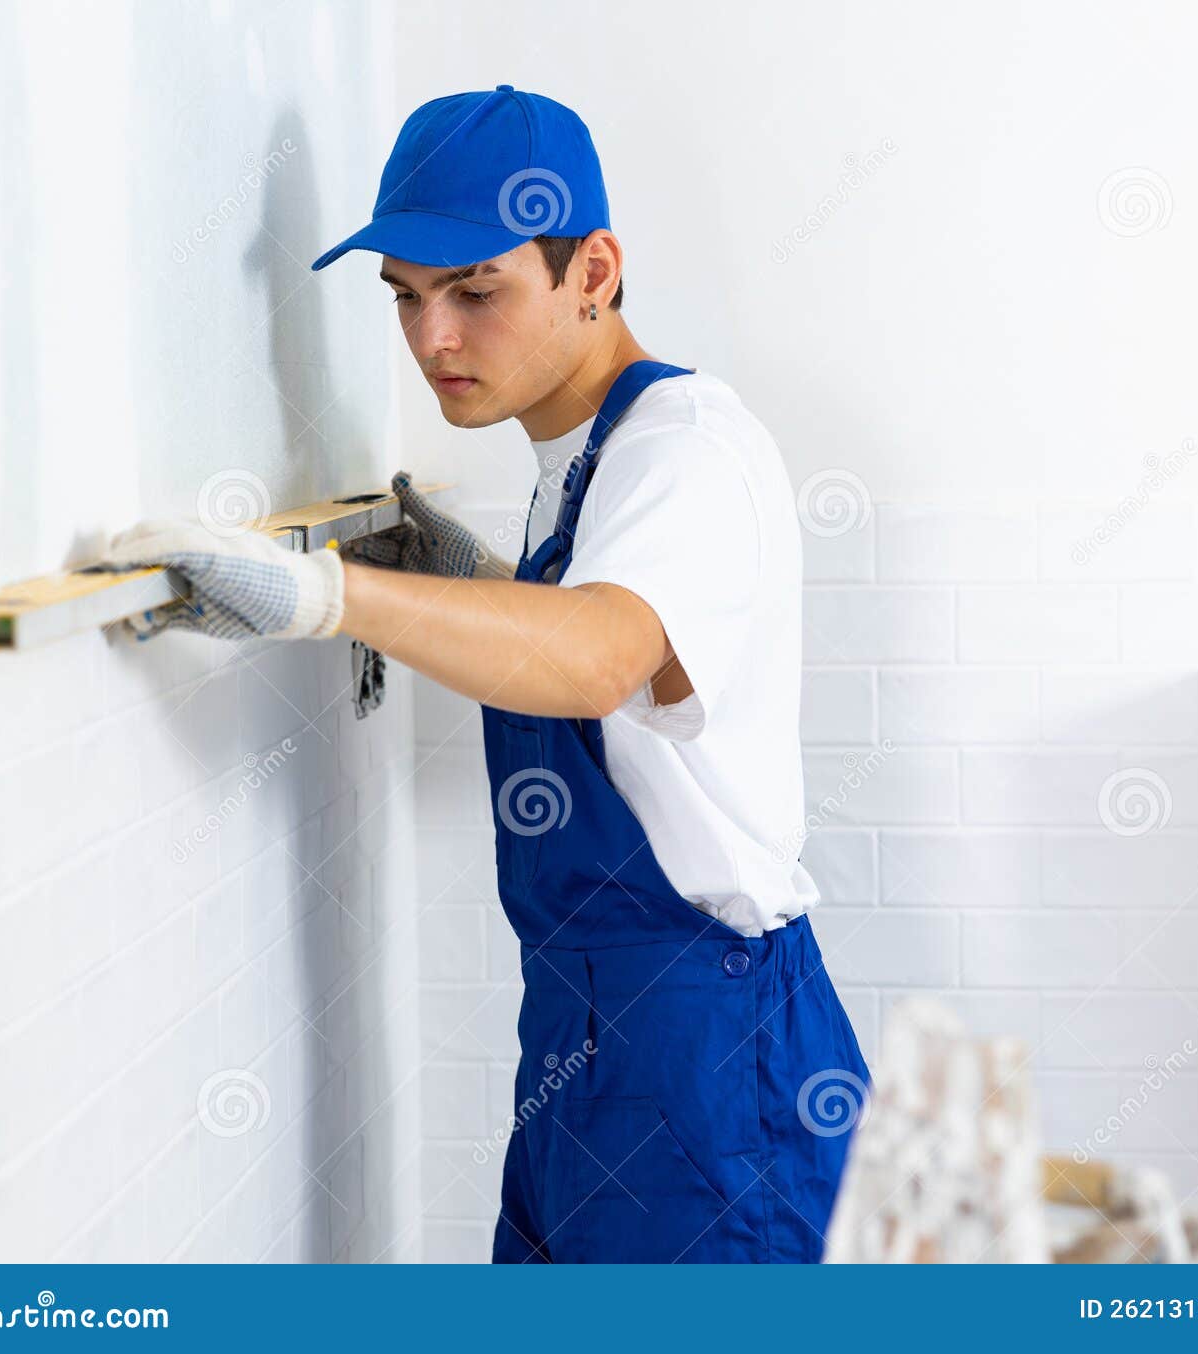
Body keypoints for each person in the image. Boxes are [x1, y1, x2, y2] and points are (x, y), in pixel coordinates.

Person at [104, 85, 870, 1263]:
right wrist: (478, 578)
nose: (433, 341)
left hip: (707, 1065)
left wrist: (321, 595)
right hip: (586, 1038)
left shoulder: (683, 449)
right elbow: (624, 675)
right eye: (406, 297)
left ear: (593, 271)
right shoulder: (588, 458)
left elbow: (599, 655)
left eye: (475, 292)